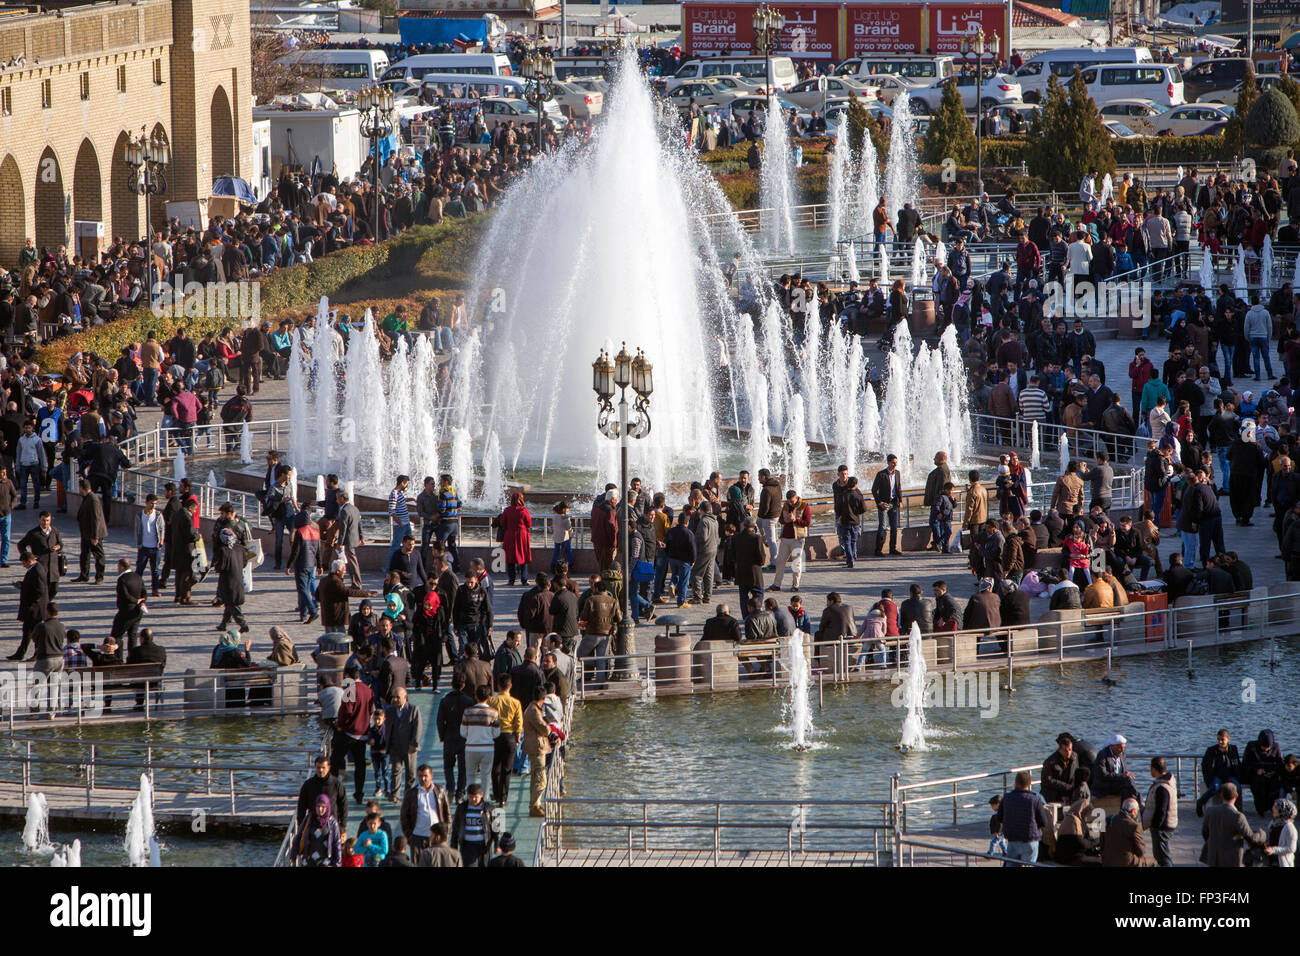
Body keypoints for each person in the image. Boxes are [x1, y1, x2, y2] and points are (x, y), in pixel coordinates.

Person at [1201, 782, 1267, 867]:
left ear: (1221, 795)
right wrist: (1262, 835)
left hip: (1214, 856)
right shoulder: (1238, 816)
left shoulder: (1210, 811)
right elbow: (1250, 837)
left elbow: (1205, 832)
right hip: (1232, 858)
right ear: (1236, 795)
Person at [996, 771, 1049, 865]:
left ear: (1015, 783)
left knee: (1011, 864)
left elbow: (999, 818)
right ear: (1029, 784)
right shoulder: (1035, 799)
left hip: (1013, 839)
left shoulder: (1007, 798)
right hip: (1030, 839)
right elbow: (1044, 822)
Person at [436, 674, 473, 802]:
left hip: (449, 737)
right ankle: (460, 793)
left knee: (448, 766)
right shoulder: (469, 702)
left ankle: (450, 788)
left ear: (452, 685)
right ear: (464, 685)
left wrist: (442, 736)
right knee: (464, 767)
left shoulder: (445, 701)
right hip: (465, 738)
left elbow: (440, 721)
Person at [385, 685, 422, 798]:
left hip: (409, 747)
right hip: (395, 746)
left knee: (410, 773)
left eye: (397, 697)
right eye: (393, 697)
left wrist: (414, 743)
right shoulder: (390, 711)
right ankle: (394, 794)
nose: (395, 700)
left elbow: (418, 727)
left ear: (405, 697)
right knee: (395, 770)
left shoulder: (413, 709)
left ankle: (408, 794)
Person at [450, 783, 499, 867]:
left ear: (481, 795)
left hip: (484, 846)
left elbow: (496, 830)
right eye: (470, 797)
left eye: (476, 797)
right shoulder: (461, 808)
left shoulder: (490, 809)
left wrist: (497, 844)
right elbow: (456, 828)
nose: (473, 799)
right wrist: (453, 845)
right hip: (468, 846)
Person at [296, 755, 347, 833]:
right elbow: (302, 806)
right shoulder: (308, 784)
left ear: (329, 768)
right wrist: (301, 825)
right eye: (318, 767)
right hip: (313, 824)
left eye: (323, 767)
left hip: (331, 824)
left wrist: (342, 825)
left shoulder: (336, 784)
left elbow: (343, 805)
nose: (320, 770)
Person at [1143, 756, 1178, 867]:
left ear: (1154, 768)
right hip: (1166, 825)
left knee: (1163, 857)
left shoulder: (1162, 787)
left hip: (1162, 827)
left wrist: (1155, 826)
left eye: (1151, 768)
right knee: (1162, 855)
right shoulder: (1168, 783)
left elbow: (1161, 810)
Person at [1198, 728, 1242, 816]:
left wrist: (1239, 776)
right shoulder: (1211, 750)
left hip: (1230, 776)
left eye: (1222, 739)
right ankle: (1200, 802)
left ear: (1228, 739)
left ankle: (1237, 809)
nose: (1220, 742)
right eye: (1218, 739)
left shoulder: (1233, 749)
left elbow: (1237, 763)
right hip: (1217, 776)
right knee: (1214, 788)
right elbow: (1204, 765)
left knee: (1237, 787)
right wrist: (1208, 778)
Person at [522, 686, 551, 817]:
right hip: (537, 746)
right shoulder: (534, 711)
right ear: (543, 698)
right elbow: (544, 729)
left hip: (534, 745)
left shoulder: (531, 708)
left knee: (535, 777)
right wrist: (549, 728)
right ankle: (534, 805)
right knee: (541, 779)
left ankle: (536, 804)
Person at [292, 794, 342, 867]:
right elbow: (299, 835)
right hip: (308, 860)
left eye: (323, 807)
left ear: (327, 807)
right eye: (318, 806)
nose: (320, 809)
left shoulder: (332, 822)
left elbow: (336, 842)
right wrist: (293, 853)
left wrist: (337, 863)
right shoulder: (309, 819)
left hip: (325, 861)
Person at [1243, 729, 1284, 816]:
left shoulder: (1276, 747)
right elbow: (1245, 764)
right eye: (1264, 747)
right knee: (1258, 784)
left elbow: (1280, 764)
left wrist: (1273, 772)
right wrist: (1256, 770)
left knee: (1275, 784)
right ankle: (1261, 809)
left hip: (1271, 774)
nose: (1266, 749)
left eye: (1268, 747)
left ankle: (1272, 807)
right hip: (1255, 774)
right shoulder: (1251, 746)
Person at [1101, 798, 1149, 867]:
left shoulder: (1108, 820)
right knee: (1151, 861)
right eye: (1137, 811)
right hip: (1126, 862)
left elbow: (1102, 843)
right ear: (1133, 811)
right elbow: (1141, 852)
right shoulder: (1134, 826)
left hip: (1107, 860)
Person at [497, 491, 532, 586]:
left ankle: (511, 580)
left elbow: (502, 522)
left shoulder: (507, 510)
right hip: (522, 536)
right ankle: (524, 580)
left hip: (510, 535)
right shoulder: (524, 511)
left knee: (510, 558)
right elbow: (529, 524)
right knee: (523, 557)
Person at [1092, 733, 1140, 801]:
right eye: (1120, 747)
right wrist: (1121, 776)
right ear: (1112, 746)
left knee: (1128, 783)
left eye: (1124, 748)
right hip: (1105, 785)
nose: (1122, 750)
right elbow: (1102, 775)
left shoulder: (1122, 754)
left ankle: (1130, 806)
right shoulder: (1103, 755)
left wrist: (1127, 774)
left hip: (1118, 784)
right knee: (1128, 783)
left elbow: (1123, 771)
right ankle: (1139, 802)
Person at [871, 455, 903, 556]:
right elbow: (874, 490)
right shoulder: (881, 474)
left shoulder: (897, 473)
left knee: (894, 527)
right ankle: (878, 550)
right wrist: (880, 503)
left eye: (896, 462)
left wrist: (900, 501)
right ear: (888, 463)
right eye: (893, 463)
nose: (895, 465)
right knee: (883, 527)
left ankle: (892, 549)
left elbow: (899, 488)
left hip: (894, 503)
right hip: (884, 504)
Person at [1041, 733, 1078, 804]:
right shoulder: (1050, 761)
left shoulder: (1074, 757)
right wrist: (1065, 786)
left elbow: (1076, 773)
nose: (1068, 753)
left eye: (1070, 750)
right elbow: (1047, 780)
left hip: (1069, 792)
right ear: (1060, 749)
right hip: (1053, 794)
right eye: (1065, 750)